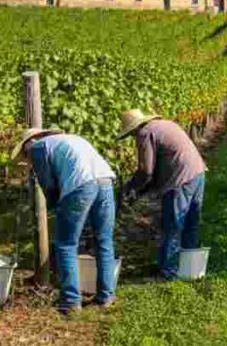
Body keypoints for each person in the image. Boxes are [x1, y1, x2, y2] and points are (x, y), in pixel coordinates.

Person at [12, 128, 117, 315]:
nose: (28, 158)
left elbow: (48, 185)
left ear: (29, 143)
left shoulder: (37, 147)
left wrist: (55, 208)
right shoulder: (69, 139)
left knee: (66, 244)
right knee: (104, 240)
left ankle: (70, 301)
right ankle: (106, 297)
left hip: (81, 186)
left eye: (25, 154)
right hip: (106, 182)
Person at [117, 109, 206, 280]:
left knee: (172, 226)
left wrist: (130, 189)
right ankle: (191, 269)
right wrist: (145, 189)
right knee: (191, 223)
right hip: (198, 173)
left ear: (134, 128)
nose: (132, 138)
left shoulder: (145, 133)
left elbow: (146, 171)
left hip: (180, 179)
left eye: (131, 134)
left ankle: (168, 273)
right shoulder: (165, 124)